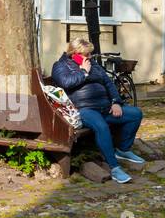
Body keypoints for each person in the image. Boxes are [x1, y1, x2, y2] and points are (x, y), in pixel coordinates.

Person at [52, 38, 145, 183]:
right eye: (86, 54)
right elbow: (66, 83)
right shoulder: (60, 66)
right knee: (101, 126)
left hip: (105, 107)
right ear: (74, 53)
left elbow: (108, 83)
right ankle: (114, 168)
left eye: (90, 54)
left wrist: (115, 102)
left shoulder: (93, 64)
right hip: (83, 110)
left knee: (135, 114)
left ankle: (123, 150)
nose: (90, 57)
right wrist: (83, 72)